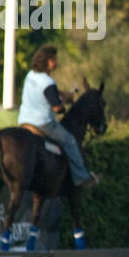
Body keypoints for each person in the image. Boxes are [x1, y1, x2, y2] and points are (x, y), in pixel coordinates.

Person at [18, 46, 98, 189]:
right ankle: (81, 177)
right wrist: (65, 103)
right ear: (46, 61)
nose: (56, 62)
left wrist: (63, 94)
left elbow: (49, 93)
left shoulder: (30, 75)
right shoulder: (48, 83)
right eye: (53, 59)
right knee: (70, 141)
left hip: (24, 120)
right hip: (42, 123)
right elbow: (57, 108)